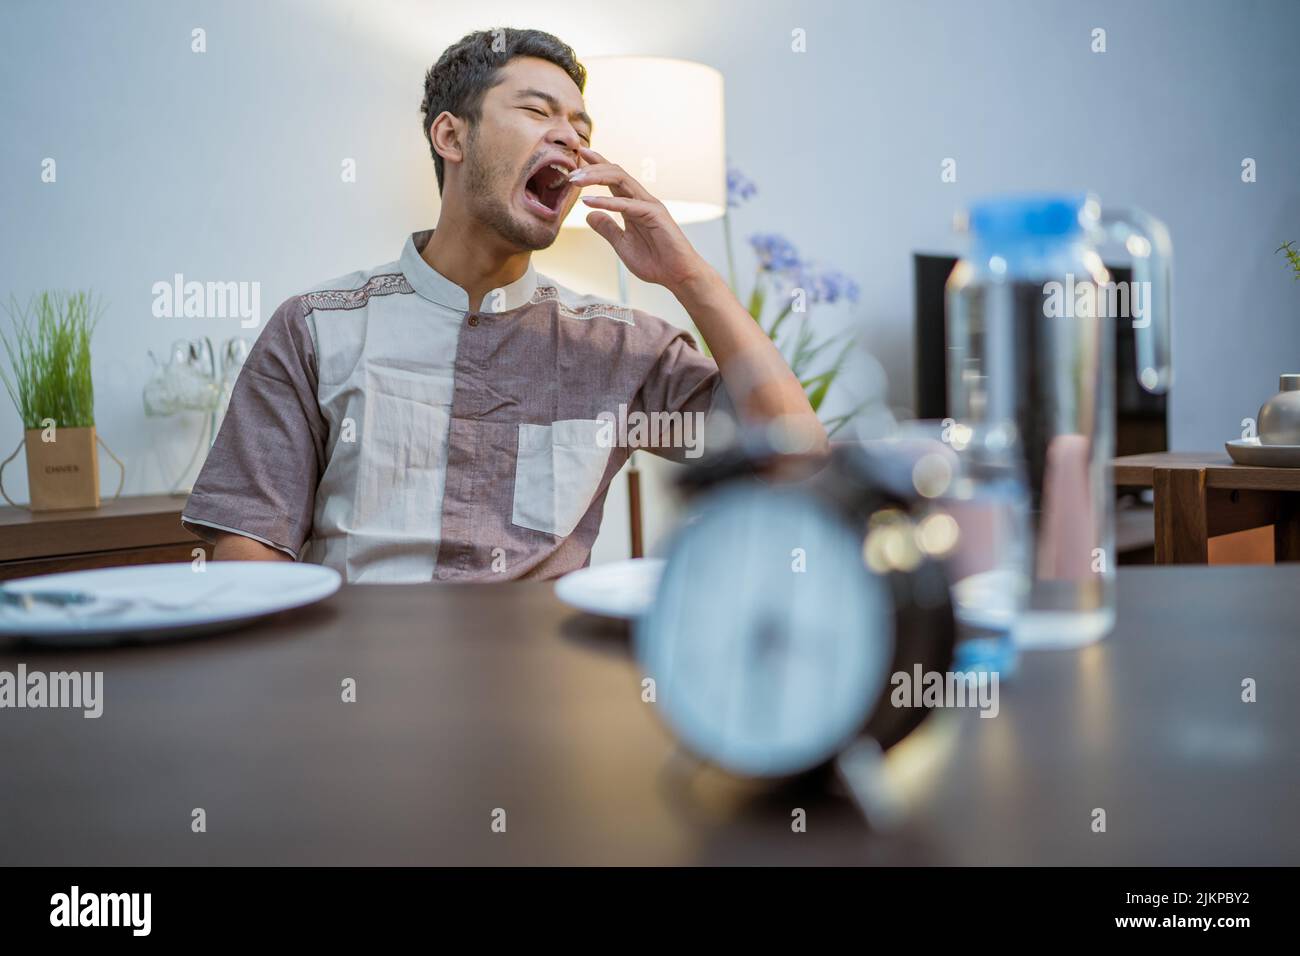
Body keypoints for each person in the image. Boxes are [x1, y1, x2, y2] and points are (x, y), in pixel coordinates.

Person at [182, 27, 822, 583]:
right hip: (364, 686)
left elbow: (797, 457)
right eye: (539, 111)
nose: (570, 139)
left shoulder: (620, 346)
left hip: (546, 693)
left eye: (581, 127)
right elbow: (248, 542)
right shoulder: (317, 328)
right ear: (451, 137)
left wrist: (689, 276)